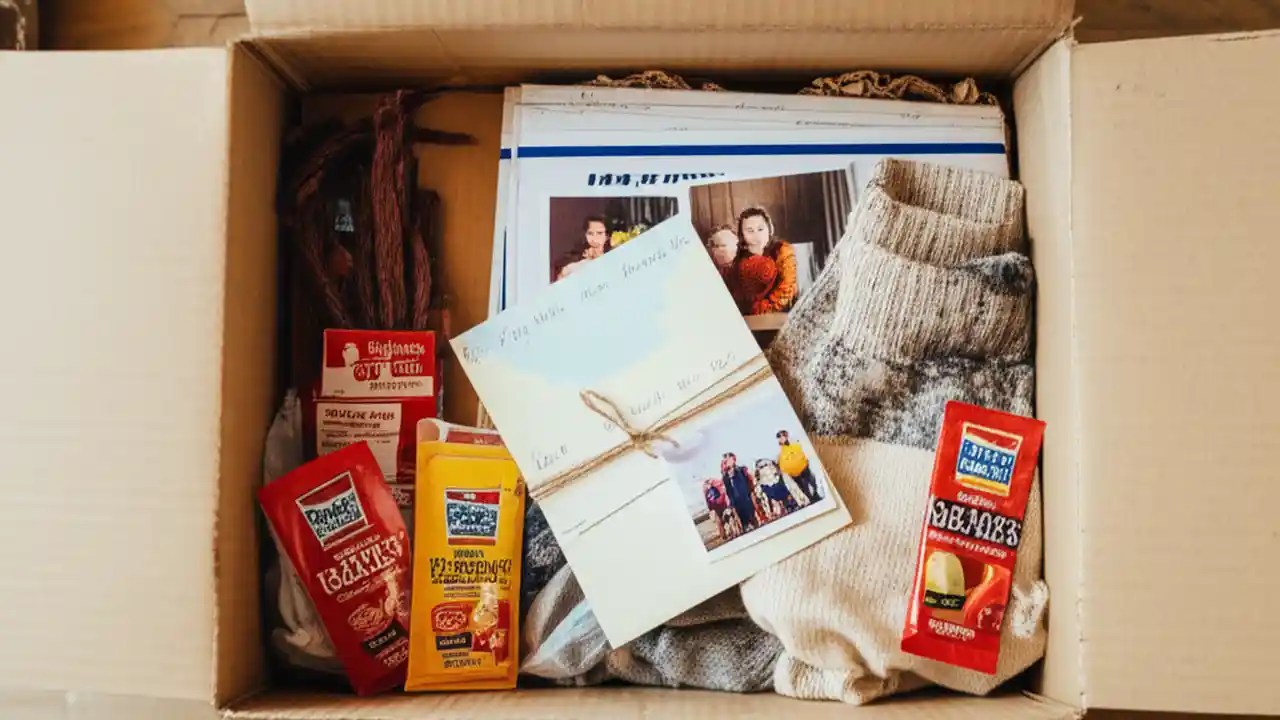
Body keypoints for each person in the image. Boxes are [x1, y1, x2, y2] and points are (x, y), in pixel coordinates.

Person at [736, 207, 798, 313]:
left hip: (783, 311)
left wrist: (762, 309)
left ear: (769, 229)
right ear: (742, 234)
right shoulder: (739, 259)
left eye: (760, 229)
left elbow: (787, 287)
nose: (757, 235)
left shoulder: (782, 250)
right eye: (750, 231)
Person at [554, 215, 610, 281]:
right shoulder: (575, 264)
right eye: (590, 233)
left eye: (599, 233)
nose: (595, 237)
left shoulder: (612, 259)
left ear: (607, 236)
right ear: (586, 235)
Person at [777, 430, 820, 503]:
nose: (781, 438)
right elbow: (781, 462)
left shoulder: (795, 443)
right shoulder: (781, 451)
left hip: (803, 467)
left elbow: (803, 451)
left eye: (783, 435)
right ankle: (811, 499)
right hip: (793, 473)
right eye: (779, 437)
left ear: (786, 435)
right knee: (803, 487)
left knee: (811, 481)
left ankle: (816, 495)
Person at [720, 452, 759, 534]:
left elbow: (749, 482)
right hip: (736, 500)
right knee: (743, 520)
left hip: (746, 497)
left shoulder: (741, 470)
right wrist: (732, 503)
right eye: (725, 460)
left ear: (733, 459)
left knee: (751, 515)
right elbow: (728, 491)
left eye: (728, 459)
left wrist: (752, 494)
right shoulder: (725, 477)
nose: (726, 462)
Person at [702, 476, 733, 540]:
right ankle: (724, 536)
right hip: (717, 507)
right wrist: (710, 509)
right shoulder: (706, 489)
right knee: (719, 523)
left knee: (729, 519)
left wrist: (726, 504)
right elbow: (707, 500)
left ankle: (732, 532)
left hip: (723, 505)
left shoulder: (716, 483)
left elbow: (723, 493)